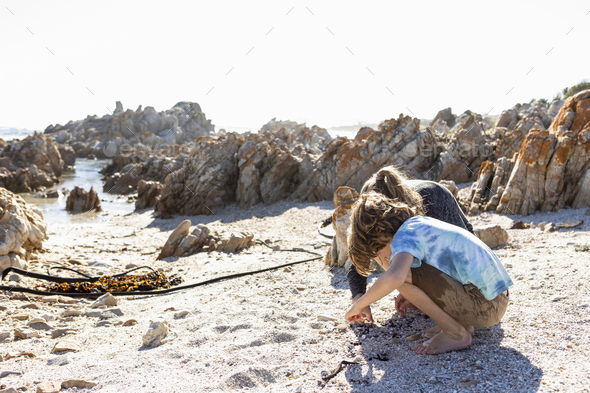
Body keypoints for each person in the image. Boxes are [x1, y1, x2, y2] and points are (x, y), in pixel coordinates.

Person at [344, 192, 513, 354]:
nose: (384, 257)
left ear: (380, 237)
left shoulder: (403, 238)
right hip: (496, 299)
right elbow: (443, 270)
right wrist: (416, 293)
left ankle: (455, 333)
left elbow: (395, 277)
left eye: (377, 253)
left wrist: (358, 305)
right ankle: (461, 323)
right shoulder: (418, 224)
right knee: (408, 274)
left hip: (486, 307)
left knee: (401, 277)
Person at [347, 166, 473, 324]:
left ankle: (453, 327)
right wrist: (359, 297)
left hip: (466, 265)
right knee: (381, 251)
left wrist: (415, 291)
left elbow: (452, 252)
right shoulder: (387, 216)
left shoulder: (426, 203)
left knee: (400, 268)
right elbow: (361, 252)